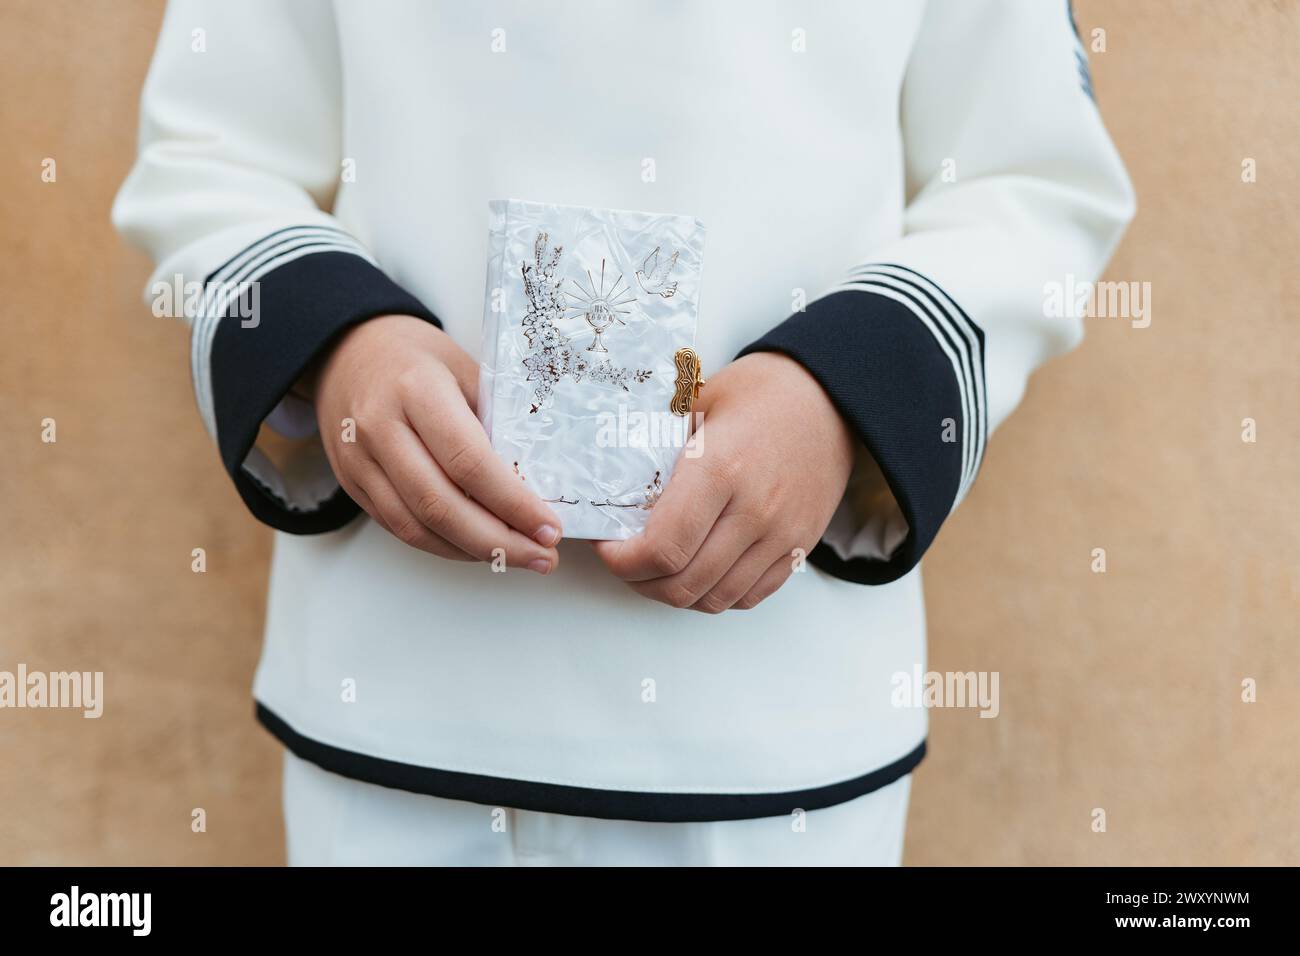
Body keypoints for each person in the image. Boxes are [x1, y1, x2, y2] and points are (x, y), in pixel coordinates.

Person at [113, 0, 1133, 866]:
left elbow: (1031, 184)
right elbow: (210, 156)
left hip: (774, 738)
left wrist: (839, 392)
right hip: (396, 712)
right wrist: (340, 348)